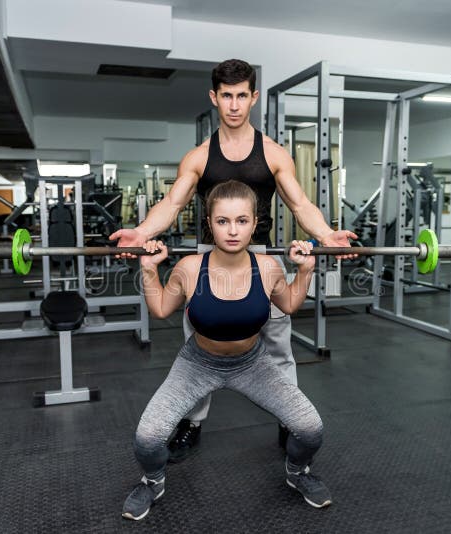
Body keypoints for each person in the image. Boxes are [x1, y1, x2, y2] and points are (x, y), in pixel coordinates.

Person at [110, 59, 356, 460]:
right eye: (227, 96)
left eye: (242, 95)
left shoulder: (273, 154)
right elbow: (171, 203)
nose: (235, 105)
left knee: (278, 342)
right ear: (214, 97)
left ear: (254, 97)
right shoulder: (199, 157)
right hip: (208, 261)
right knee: (197, 341)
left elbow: (299, 204)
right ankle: (192, 422)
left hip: (260, 259)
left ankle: (288, 419)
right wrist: (142, 233)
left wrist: (327, 235)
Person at [123, 181, 331, 521]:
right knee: (147, 438)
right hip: (197, 364)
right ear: (209, 223)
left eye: (241, 221)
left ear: (254, 223)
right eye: (223, 221)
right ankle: (153, 481)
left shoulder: (268, 267)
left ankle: (297, 472)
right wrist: (148, 269)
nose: (232, 231)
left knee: (310, 429)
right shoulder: (190, 268)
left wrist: (306, 270)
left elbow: (290, 304)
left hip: (253, 364)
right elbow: (160, 309)